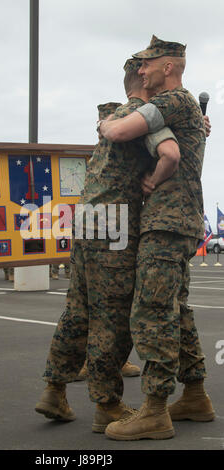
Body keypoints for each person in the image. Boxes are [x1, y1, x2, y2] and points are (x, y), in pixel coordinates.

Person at [35, 59, 180, 433]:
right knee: (111, 317)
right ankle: (108, 405)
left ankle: (54, 388)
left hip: (85, 220)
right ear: (146, 82)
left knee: (78, 309)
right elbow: (171, 154)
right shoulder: (144, 117)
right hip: (115, 224)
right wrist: (152, 182)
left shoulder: (113, 117)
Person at [99, 36, 215, 441]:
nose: (141, 71)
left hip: (166, 222)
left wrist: (105, 121)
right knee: (176, 309)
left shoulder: (172, 100)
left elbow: (120, 131)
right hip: (179, 220)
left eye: (147, 64)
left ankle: (154, 410)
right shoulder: (185, 108)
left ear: (168, 67)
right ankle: (196, 395)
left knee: (152, 311)